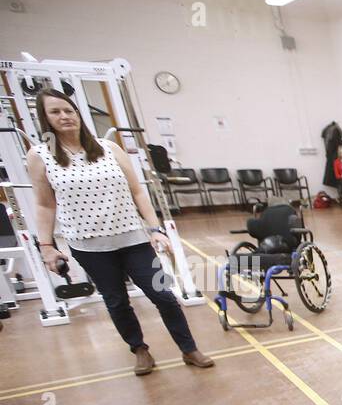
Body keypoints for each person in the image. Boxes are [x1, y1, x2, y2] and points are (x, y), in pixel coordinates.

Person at [25, 88, 212, 375]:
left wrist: (155, 228)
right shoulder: (40, 157)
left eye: (68, 110)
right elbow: (44, 205)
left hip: (133, 239)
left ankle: (189, 349)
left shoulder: (108, 149)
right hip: (89, 246)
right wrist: (46, 246)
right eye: (55, 112)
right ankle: (139, 349)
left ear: (77, 114)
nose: (64, 116)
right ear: (45, 118)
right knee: (116, 301)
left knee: (163, 295)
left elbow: (138, 192)